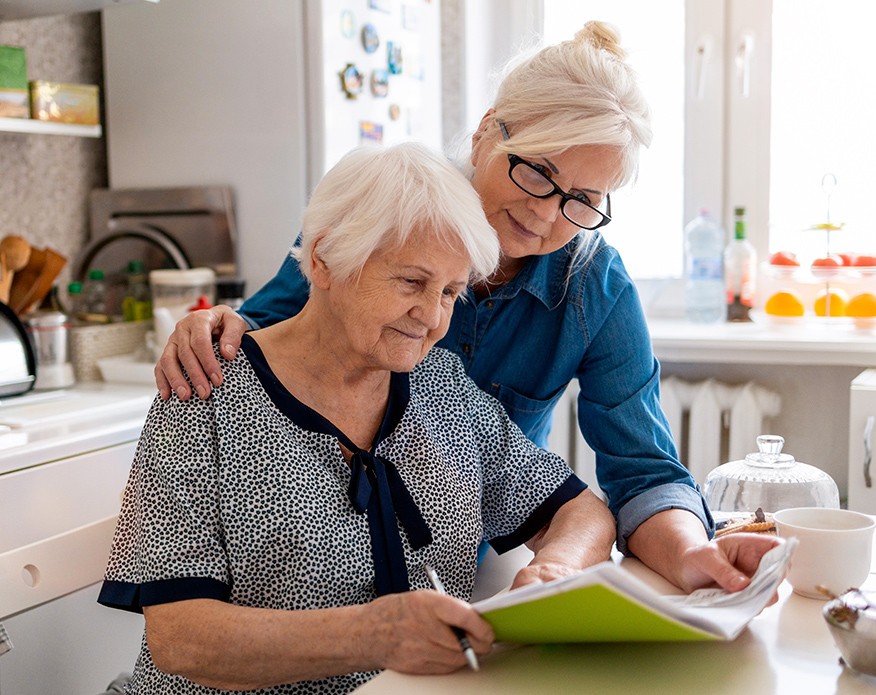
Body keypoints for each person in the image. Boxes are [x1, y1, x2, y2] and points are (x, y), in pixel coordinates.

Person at [155, 21, 781, 595]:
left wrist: (692, 553)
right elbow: (267, 335)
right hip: (321, 560)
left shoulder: (595, 286)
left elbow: (642, 471)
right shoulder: (383, 214)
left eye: (582, 198)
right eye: (537, 171)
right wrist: (213, 324)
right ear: (487, 131)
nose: (543, 213)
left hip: (469, 561)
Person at [99, 142, 617, 694]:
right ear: (323, 259)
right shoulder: (206, 391)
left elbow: (581, 513)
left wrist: (555, 570)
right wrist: (372, 635)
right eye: (412, 282)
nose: (431, 316)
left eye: (450, 292)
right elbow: (181, 638)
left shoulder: (442, 387)